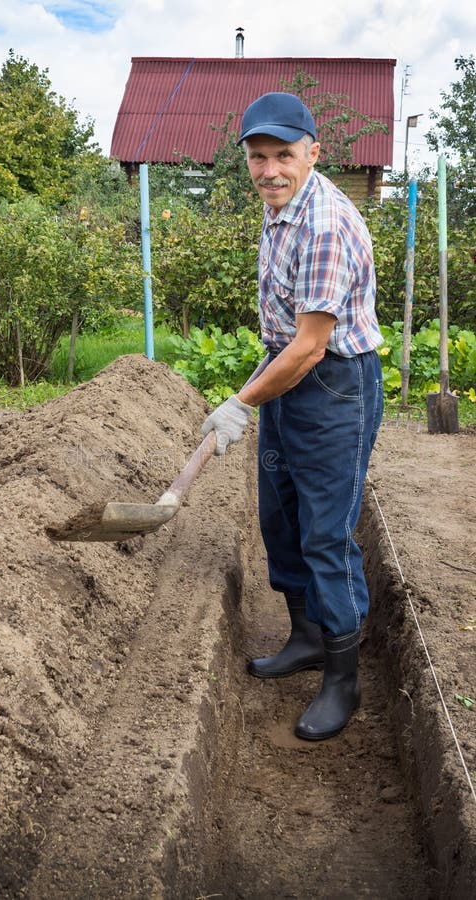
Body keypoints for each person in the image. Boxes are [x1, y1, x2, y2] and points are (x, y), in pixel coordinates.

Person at [201, 92, 384, 741]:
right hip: (292, 371)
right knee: (280, 514)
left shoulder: (325, 223)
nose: (270, 169)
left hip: (332, 385)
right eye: (258, 156)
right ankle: (306, 635)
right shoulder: (282, 206)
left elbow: (311, 345)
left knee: (325, 534)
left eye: (284, 155)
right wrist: (255, 392)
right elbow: (288, 339)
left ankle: (344, 678)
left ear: (313, 151)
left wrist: (240, 403)